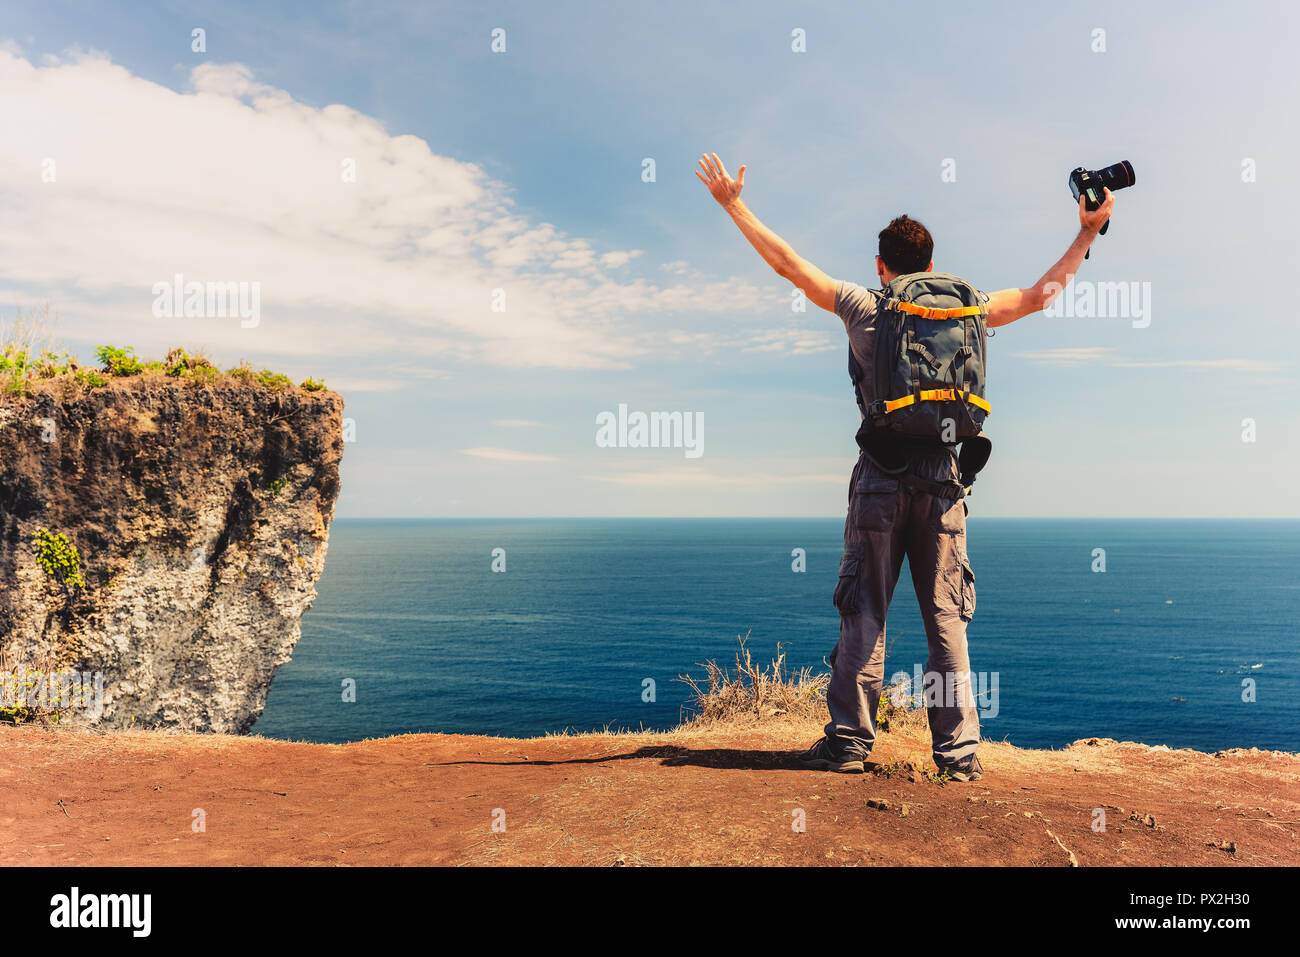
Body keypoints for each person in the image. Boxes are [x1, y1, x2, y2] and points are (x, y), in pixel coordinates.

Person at [696, 152, 1116, 780]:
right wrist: (1087, 230)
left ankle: (848, 744)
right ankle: (959, 755)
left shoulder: (866, 306)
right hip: (946, 481)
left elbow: (789, 265)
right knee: (946, 617)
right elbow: (1037, 297)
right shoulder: (969, 307)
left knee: (865, 608)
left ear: (881, 265)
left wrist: (734, 204)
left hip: (880, 479)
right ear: (931, 262)